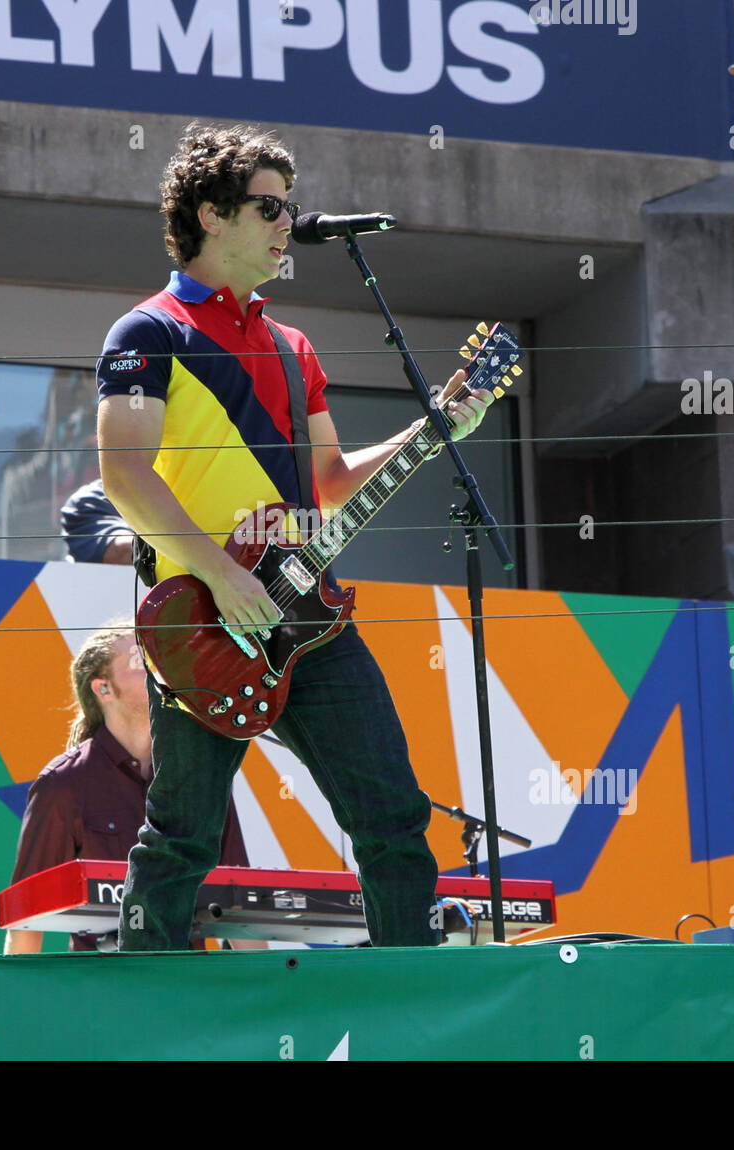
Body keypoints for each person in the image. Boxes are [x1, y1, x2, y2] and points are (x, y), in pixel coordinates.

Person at [96, 122, 494, 951]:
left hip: (308, 617)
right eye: (271, 207)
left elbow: (331, 483)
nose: (289, 224)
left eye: (293, 206)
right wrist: (226, 576)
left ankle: (407, 1011)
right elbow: (127, 477)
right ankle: (133, 1016)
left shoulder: (293, 347)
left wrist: (434, 428)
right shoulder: (149, 334)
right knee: (182, 838)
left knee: (393, 818)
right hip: (202, 622)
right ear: (211, 214)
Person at [4, 624, 248, 954]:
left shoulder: (201, 776)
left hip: (191, 987)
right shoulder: (62, 785)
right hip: (103, 992)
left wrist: (267, 998)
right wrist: (23, 1003)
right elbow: (26, 917)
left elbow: (240, 905)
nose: (159, 665)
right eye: (141, 658)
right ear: (104, 689)